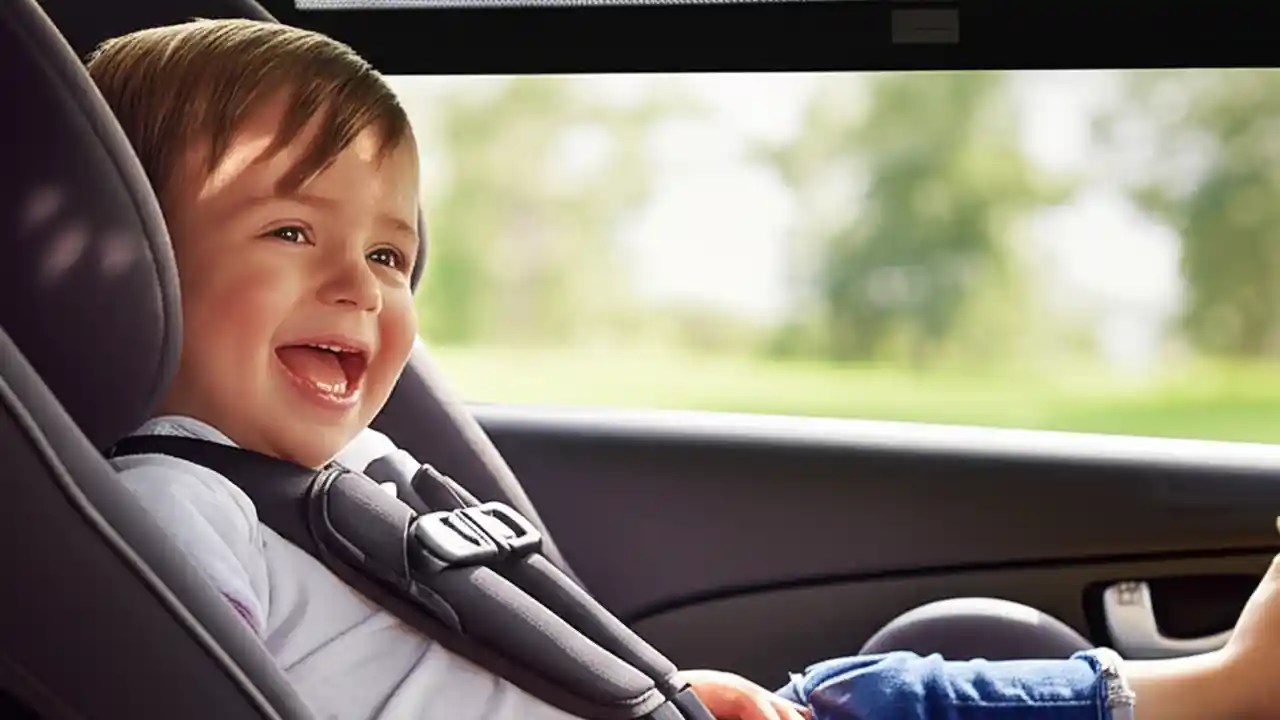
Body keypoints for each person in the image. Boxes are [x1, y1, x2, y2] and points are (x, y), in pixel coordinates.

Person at [88, 18, 1280, 720]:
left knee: (873, 687)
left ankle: (1218, 688)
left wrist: (644, 689)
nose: (362, 286)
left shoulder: (360, 461)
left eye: (394, 253)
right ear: (127, 260)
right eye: (292, 233)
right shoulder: (170, 508)